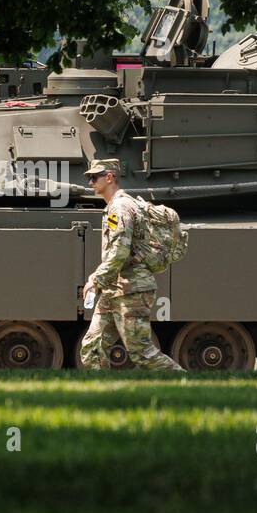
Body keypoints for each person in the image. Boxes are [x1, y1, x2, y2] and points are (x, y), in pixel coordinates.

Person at [79, 158, 183, 371]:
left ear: (109, 177)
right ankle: (101, 400)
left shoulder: (121, 207)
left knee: (142, 353)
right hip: (114, 288)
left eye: (94, 177)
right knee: (93, 346)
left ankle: (187, 385)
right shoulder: (115, 207)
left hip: (132, 289)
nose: (90, 182)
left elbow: (119, 251)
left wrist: (96, 279)